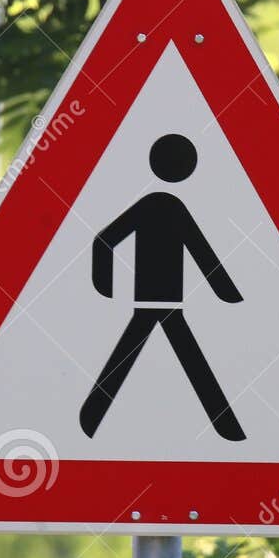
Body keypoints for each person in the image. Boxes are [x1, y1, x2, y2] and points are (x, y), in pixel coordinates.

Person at [79, 133, 246, 441]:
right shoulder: (167, 206)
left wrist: (106, 285)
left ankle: (88, 420)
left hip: (153, 301)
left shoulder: (153, 205)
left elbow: (104, 242)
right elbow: (202, 252)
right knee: (187, 359)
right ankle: (228, 429)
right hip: (165, 301)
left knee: (138, 356)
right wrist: (225, 291)